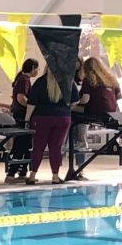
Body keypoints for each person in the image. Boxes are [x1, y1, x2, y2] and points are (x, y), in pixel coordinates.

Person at [26, 56, 75, 183]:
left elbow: (32, 103)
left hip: (42, 117)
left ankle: (32, 175)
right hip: (63, 118)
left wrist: (27, 120)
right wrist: (65, 108)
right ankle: (55, 176)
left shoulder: (40, 82)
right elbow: (76, 100)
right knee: (56, 147)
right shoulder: (68, 82)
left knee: (38, 147)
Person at [8, 55, 37, 183]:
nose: (37, 71)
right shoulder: (24, 80)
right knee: (21, 144)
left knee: (25, 145)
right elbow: (21, 98)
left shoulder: (23, 79)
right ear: (32, 68)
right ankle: (11, 174)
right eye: (37, 68)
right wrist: (32, 107)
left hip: (21, 115)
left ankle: (21, 172)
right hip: (22, 116)